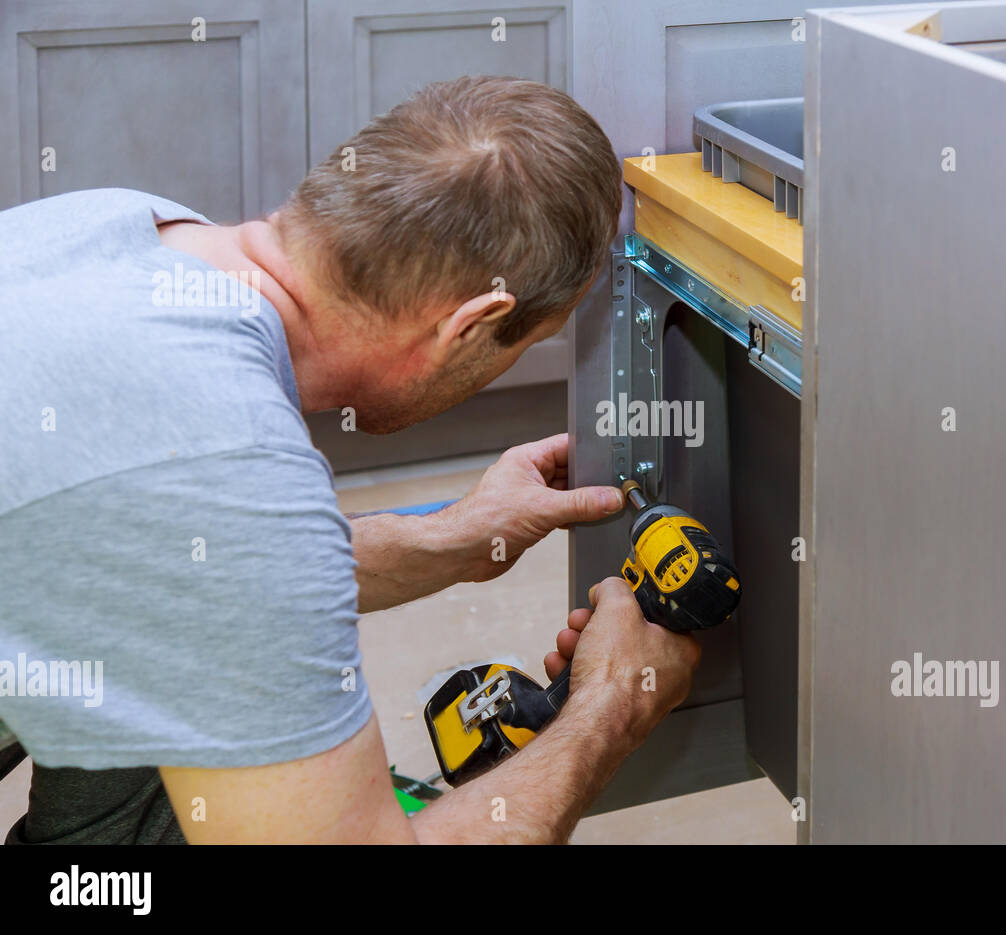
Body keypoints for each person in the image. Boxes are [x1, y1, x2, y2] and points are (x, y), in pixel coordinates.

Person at [0, 75, 700, 844]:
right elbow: (229, 539)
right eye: (525, 346)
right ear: (470, 325)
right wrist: (609, 708)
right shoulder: (226, 470)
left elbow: (185, 551)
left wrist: (456, 536)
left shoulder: (121, 224)